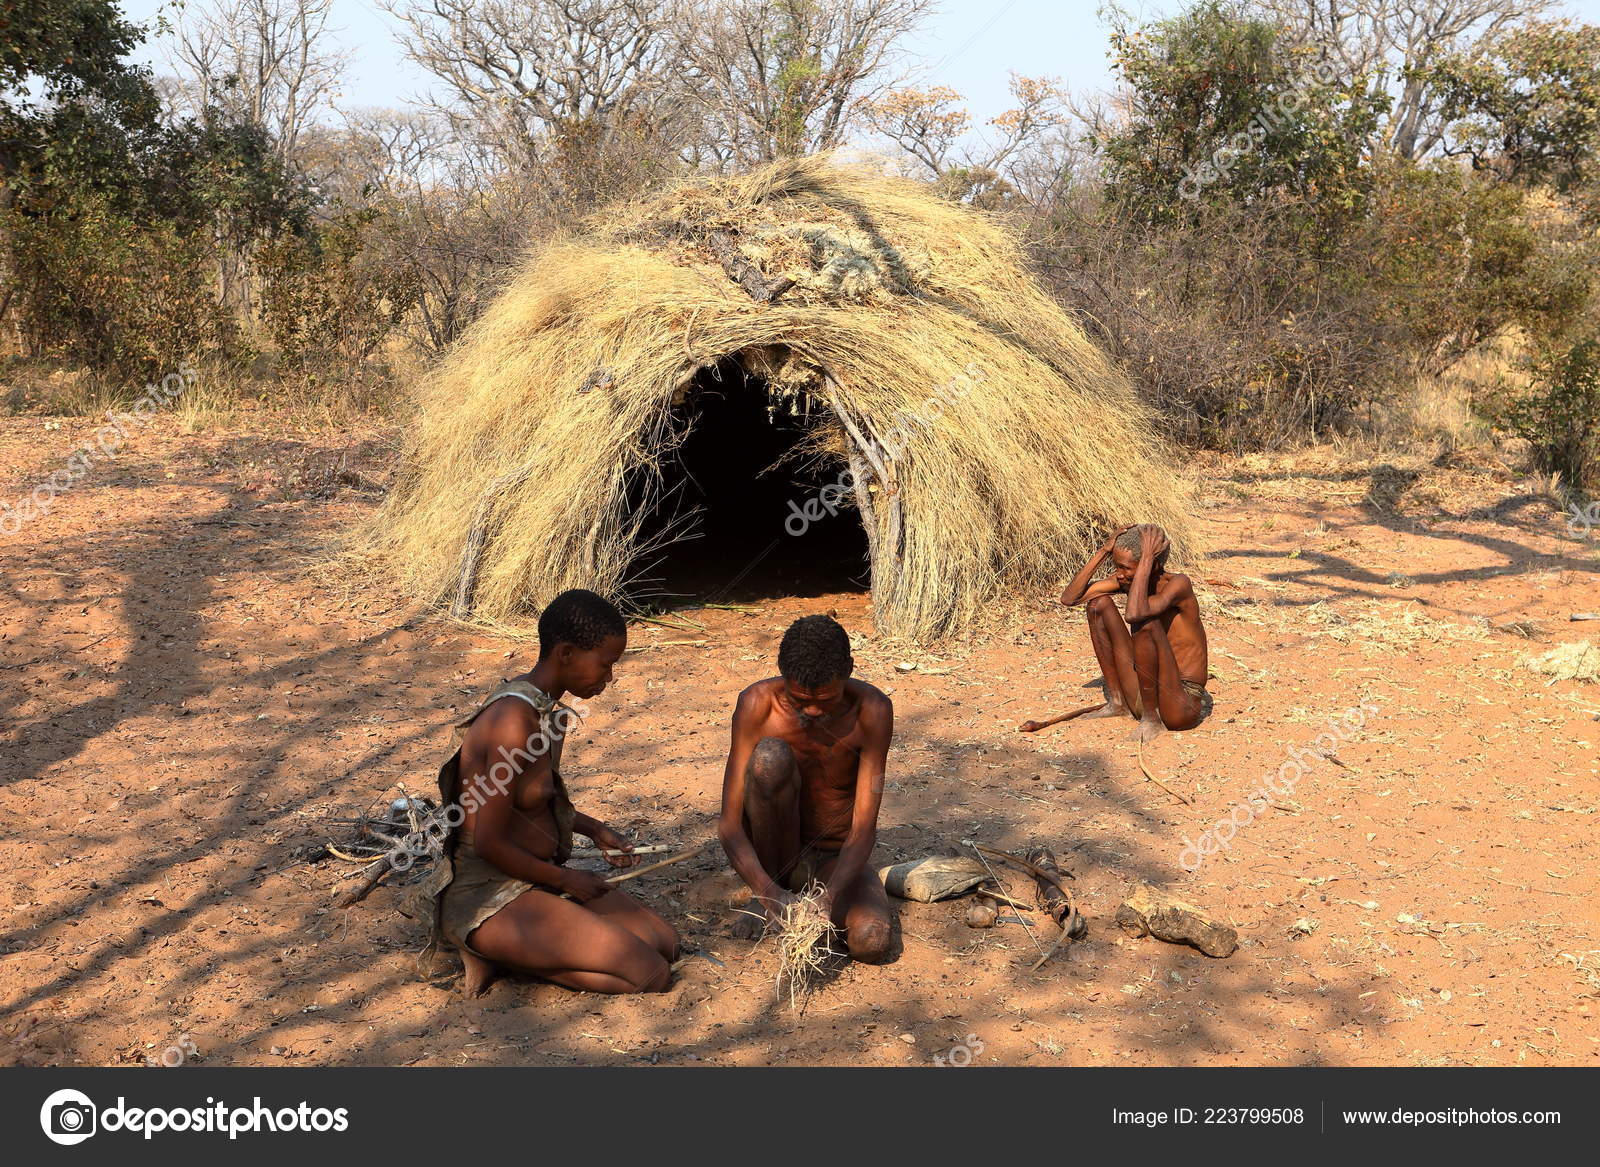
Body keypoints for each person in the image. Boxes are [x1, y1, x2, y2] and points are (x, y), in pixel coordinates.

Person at [418, 588, 679, 995]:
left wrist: (595, 831)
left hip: (536, 880)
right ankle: (494, 952)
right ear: (566, 654)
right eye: (605, 664)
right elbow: (487, 842)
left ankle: (529, 948)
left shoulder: (542, 710)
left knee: (666, 943)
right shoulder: (513, 722)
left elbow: (532, 801)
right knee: (651, 974)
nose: (609, 677)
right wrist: (567, 879)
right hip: (489, 895)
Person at [717, 614, 895, 963]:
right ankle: (772, 889)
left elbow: (864, 828)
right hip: (775, 857)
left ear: (849, 671)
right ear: (782, 674)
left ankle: (816, 897)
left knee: (871, 941)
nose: (813, 711)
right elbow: (729, 825)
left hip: (832, 859)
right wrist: (767, 892)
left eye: (826, 700)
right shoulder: (757, 704)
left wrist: (828, 897)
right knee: (769, 759)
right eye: (799, 700)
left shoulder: (872, 710)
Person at [1019, 523, 1208, 742]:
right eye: (1116, 566)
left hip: (1180, 703)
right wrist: (1103, 551)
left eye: (1125, 568)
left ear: (1152, 565)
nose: (1119, 575)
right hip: (1147, 692)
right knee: (1098, 606)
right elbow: (1069, 598)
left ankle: (1151, 720)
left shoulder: (1178, 584)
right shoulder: (1128, 581)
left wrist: (1146, 559)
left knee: (1145, 623)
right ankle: (1118, 703)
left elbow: (1136, 614)